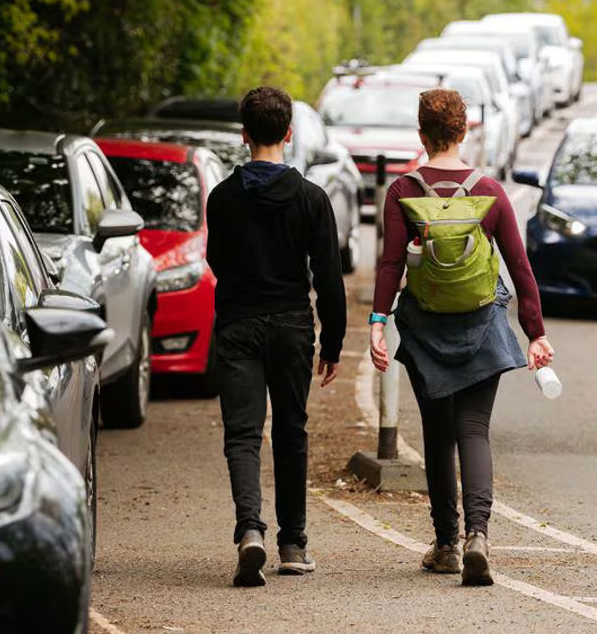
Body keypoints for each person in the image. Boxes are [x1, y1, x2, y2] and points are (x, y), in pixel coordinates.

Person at [370, 88, 553, 587]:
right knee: (474, 430)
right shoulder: (490, 192)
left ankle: (446, 545)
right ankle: (479, 536)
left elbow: (390, 263)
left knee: (438, 434)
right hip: (481, 328)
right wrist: (535, 334)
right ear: (464, 130)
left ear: (422, 135)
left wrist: (378, 322)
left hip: (427, 329)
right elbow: (520, 266)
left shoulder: (403, 191)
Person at [205, 86, 346, 588]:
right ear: (289, 133)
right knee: (291, 431)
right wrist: (333, 344)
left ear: (244, 136)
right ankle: (293, 544)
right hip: (291, 325)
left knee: (242, 435)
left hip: (239, 323)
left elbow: (216, 261)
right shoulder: (311, 199)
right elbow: (328, 276)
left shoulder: (222, 198)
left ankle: (249, 531)